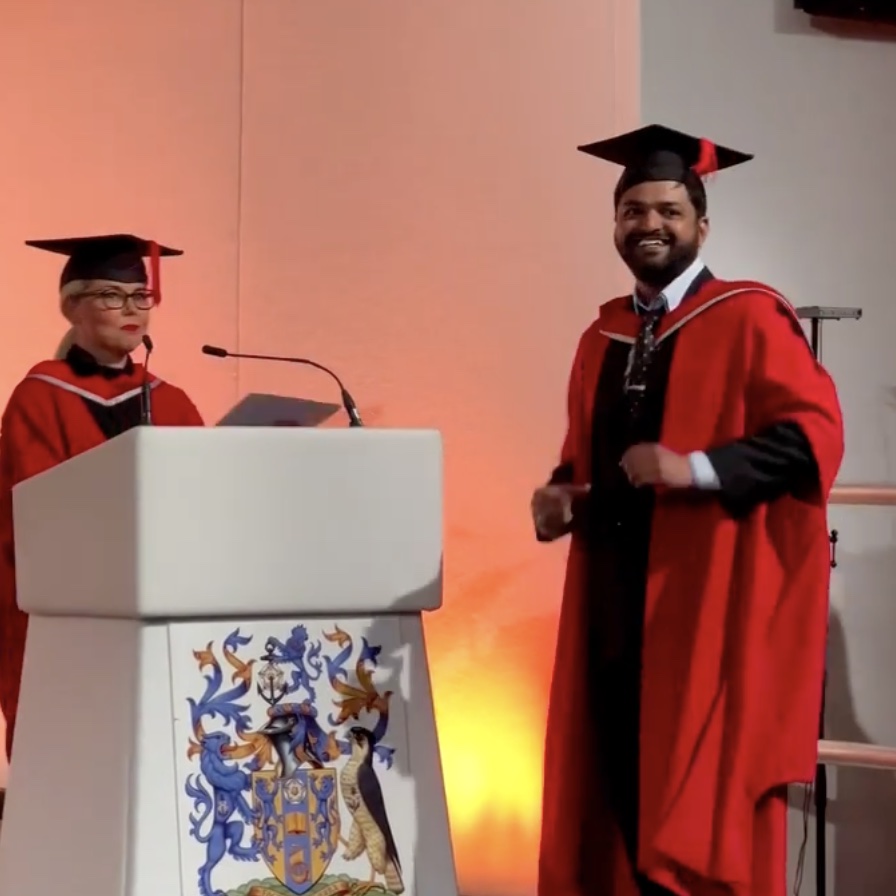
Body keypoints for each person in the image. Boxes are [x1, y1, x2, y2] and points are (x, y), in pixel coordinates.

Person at [532, 125, 844, 896]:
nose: (649, 226)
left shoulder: (748, 318)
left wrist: (696, 468)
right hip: (612, 610)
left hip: (703, 615)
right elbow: (587, 455)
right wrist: (560, 493)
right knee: (613, 802)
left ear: (703, 225)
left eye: (668, 210)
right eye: (633, 210)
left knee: (698, 817)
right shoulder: (600, 335)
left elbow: (813, 440)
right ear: (614, 224)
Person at [0, 234, 204, 762]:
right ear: (72, 306)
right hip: (75, 609)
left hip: (163, 604)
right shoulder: (38, 397)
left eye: (141, 296)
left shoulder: (172, 401)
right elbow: (38, 507)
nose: (131, 310)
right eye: (111, 295)